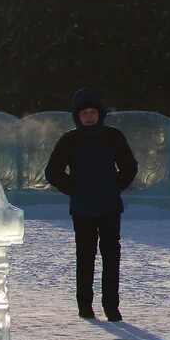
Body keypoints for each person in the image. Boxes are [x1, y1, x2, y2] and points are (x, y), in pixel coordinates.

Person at [44, 87, 139, 321]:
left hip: (109, 208)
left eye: (92, 111)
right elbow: (53, 171)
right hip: (82, 209)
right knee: (85, 257)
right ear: (77, 115)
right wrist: (74, 188)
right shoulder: (70, 140)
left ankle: (111, 306)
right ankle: (85, 305)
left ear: (100, 113)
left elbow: (129, 167)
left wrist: (113, 186)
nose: (88, 116)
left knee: (111, 257)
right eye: (84, 112)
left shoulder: (113, 136)